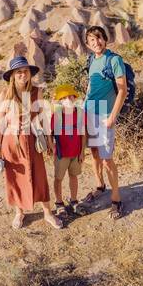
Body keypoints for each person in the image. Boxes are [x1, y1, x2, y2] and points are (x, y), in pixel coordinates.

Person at [0, 55, 63, 231]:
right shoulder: (4, 95)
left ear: (30, 73)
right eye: (19, 72)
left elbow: (42, 118)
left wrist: (49, 140)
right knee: (15, 178)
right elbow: (0, 124)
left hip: (32, 140)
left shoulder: (36, 91)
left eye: (25, 71)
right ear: (12, 75)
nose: (23, 74)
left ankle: (47, 212)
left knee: (39, 175)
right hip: (11, 143)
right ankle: (19, 212)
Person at [84, 25, 128, 219]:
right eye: (92, 40)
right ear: (88, 44)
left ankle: (116, 198)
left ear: (105, 39)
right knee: (94, 154)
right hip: (90, 114)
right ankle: (100, 186)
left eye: (99, 38)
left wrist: (112, 116)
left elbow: (122, 90)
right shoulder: (92, 59)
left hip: (105, 116)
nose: (96, 42)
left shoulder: (114, 60)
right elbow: (90, 86)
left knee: (107, 158)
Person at [48, 83, 86, 217]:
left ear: (75, 98)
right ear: (60, 101)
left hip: (75, 153)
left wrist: (82, 152)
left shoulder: (80, 113)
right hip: (61, 153)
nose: (68, 99)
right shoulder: (57, 115)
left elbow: (82, 134)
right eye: (64, 97)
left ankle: (74, 200)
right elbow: (50, 133)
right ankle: (59, 203)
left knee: (73, 176)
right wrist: (52, 147)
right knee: (58, 178)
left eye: (71, 96)